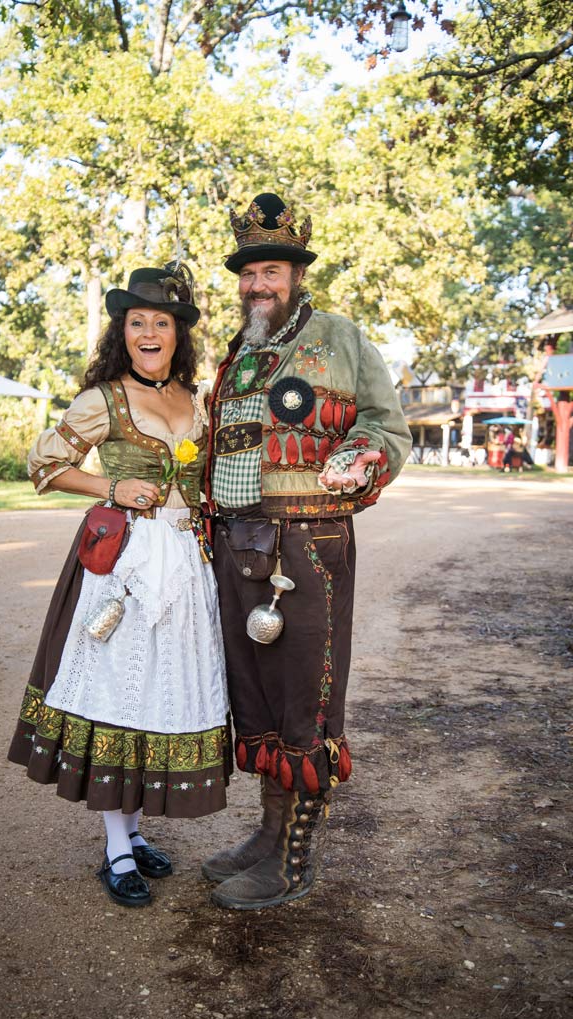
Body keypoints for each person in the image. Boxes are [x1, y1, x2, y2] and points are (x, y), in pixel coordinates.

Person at [201, 192, 412, 910]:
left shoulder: (341, 337)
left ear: (295, 273)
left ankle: (295, 857)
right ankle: (265, 832)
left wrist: (360, 457)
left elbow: (388, 426)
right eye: (249, 273)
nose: (259, 285)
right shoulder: (238, 353)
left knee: (305, 703)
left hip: (308, 544)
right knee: (253, 694)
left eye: (272, 271)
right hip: (236, 542)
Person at [8, 264, 231, 908]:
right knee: (118, 693)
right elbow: (43, 464)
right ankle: (115, 851)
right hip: (126, 566)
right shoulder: (102, 399)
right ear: (123, 332)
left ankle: (132, 837)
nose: (150, 332)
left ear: (178, 335)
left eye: (162, 322)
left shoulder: (196, 399)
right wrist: (112, 487)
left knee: (158, 690)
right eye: (138, 322)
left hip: (186, 564)